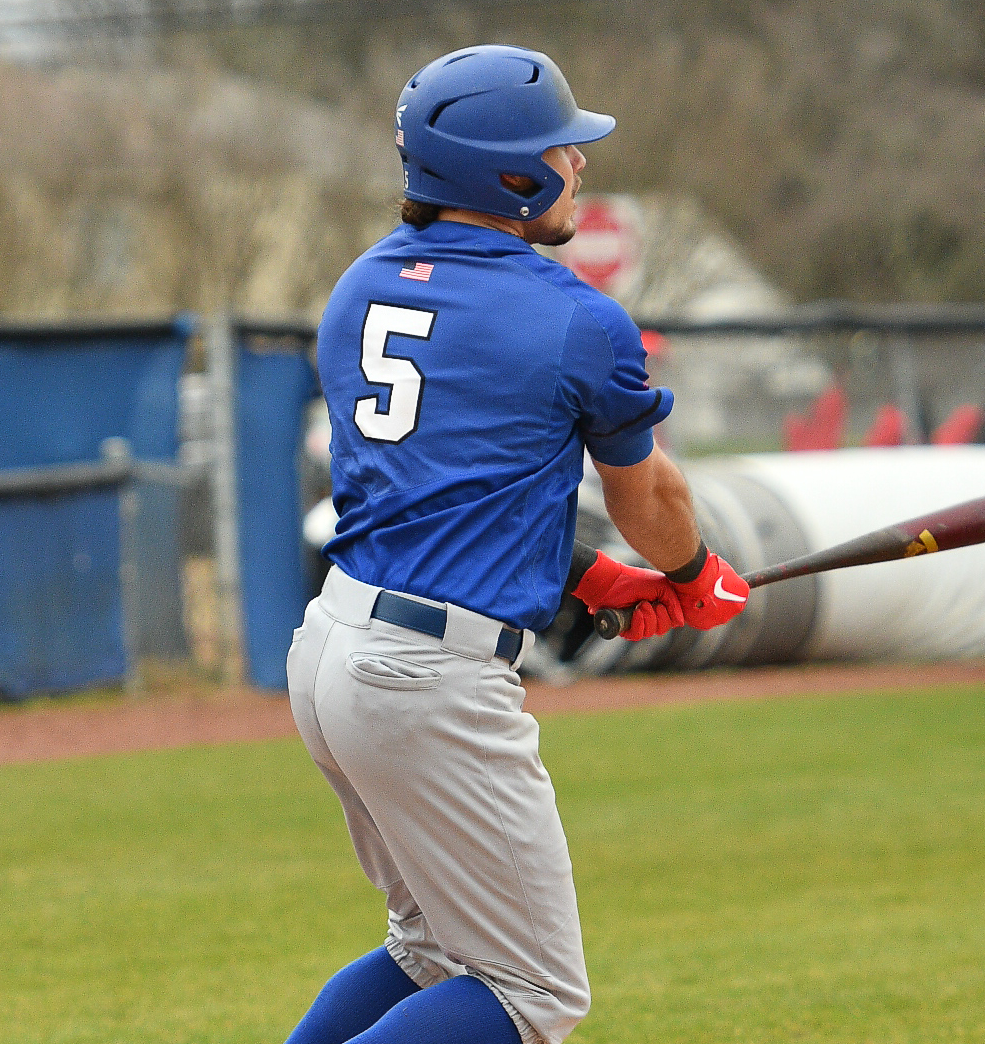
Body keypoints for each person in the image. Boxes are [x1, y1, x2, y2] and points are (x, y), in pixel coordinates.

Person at [284, 44, 751, 1044]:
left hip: (332, 647)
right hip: (425, 681)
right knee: (531, 993)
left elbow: (441, 497)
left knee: (430, 952)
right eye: (558, 149)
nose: (575, 164)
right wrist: (689, 572)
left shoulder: (358, 287)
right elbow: (650, 494)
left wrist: (586, 577)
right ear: (506, 174)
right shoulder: (576, 319)